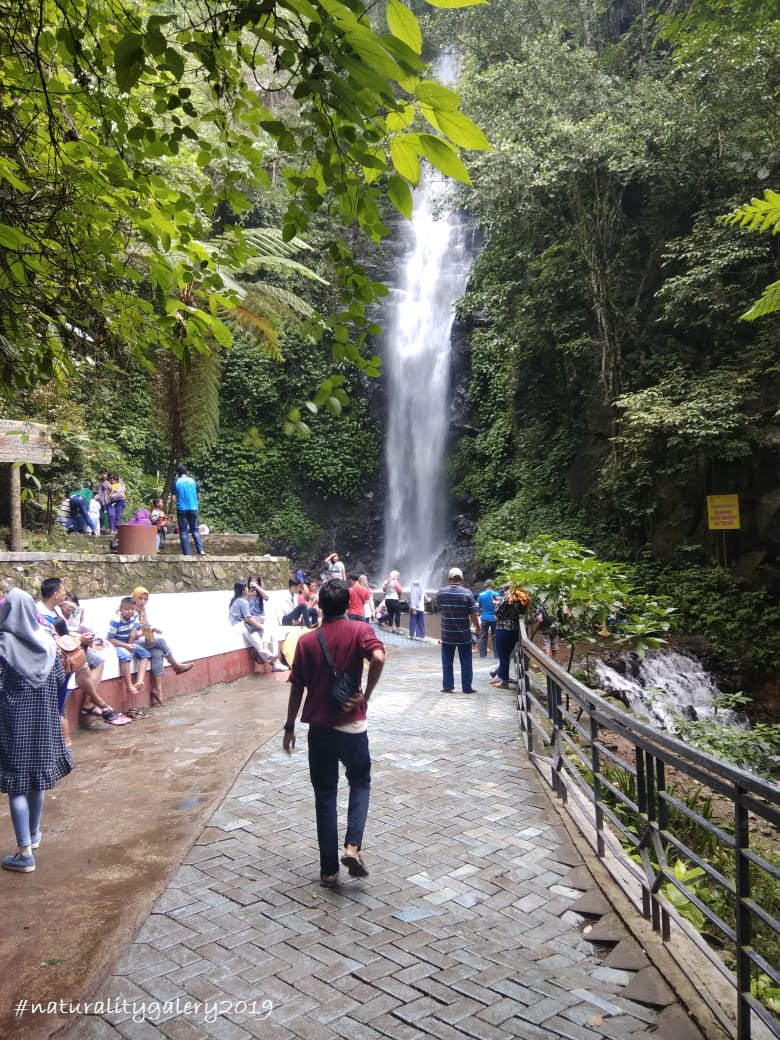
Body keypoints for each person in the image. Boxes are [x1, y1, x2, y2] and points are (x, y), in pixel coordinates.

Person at [282, 578, 385, 887]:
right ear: (347, 605)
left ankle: (329, 870)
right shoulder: (361, 631)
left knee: (325, 796)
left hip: (320, 730)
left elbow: (297, 686)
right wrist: (367, 693)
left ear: (320, 607)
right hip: (353, 726)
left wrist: (289, 727)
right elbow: (379, 657)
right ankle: (352, 846)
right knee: (360, 782)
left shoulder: (307, 641)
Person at [0, 588, 73, 873]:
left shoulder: (3, 645)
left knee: (17, 785)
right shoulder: (47, 642)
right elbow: (58, 679)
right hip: (44, 722)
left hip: (11, 724)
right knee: (36, 780)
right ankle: (34, 834)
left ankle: (24, 853)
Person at [37, 578, 128, 742]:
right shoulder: (39, 613)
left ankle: (95, 707)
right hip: (52, 662)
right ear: (56, 593)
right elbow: (52, 639)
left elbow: (64, 632)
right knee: (58, 706)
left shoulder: (55, 611)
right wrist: (79, 640)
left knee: (85, 667)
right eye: (63, 590)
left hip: (66, 657)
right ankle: (98, 706)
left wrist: (80, 637)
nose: (65, 593)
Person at [130, 587, 194, 705]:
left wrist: (152, 630)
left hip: (143, 640)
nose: (143, 602)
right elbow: (131, 633)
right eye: (140, 598)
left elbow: (146, 626)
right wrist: (147, 631)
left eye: (145, 599)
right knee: (161, 641)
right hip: (131, 642)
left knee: (157, 652)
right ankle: (176, 666)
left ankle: (157, 690)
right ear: (134, 598)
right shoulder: (129, 610)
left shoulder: (143, 611)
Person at [435, 567, 480, 694]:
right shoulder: (467, 593)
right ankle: (467, 688)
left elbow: (438, 607)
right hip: (463, 634)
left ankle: (448, 686)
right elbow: (473, 614)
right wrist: (478, 628)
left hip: (447, 634)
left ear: (449, 579)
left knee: (447, 661)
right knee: (466, 661)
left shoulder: (441, 593)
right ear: (462, 579)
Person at [228, 581, 286, 670]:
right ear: (243, 591)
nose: (248, 589)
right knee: (260, 643)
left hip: (240, 625)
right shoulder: (242, 601)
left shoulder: (236, 600)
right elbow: (248, 619)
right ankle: (274, 662)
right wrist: (260, 627)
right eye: (247, 588)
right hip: (241, 626)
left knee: (269, 631)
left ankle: (275, 662)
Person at [107, 596, 151, 710]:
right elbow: (110, 639)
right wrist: (126, 647)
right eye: (126, 609)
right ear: (121, 609)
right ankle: (129, 685)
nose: (129, 612)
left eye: (132, 609)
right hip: (117, 644)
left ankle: (140, 681)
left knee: (145, 654)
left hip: (128, 642)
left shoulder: (135, 616)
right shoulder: (116, 620)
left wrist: (130, 646)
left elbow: (133, 633)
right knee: (125, 656)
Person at [491, 585, 531, 689]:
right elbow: (523, 613)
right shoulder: (522, 598)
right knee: (507, 654)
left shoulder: (507, 597)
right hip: (515, 630)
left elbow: (497, 613)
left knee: (503, 655)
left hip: (503, 629)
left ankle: (503, 681)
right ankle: (502, 677)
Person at [170, 464, 205, 556]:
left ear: (178, 473)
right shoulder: (194, 481)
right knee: (195, 530)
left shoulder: (176, 482)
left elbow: (173, 499)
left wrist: (170, 511)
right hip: (193, 508)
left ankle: (187, 554)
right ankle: (201, 550)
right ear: (186, 472)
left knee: (183, 532)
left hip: (181, 509)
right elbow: (199, 496)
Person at [477, 580, 499, 658]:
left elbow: (479, 606)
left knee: (483, 636)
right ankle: (497, 655)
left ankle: (483, 655)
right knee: (495, 636)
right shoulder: (496, 594)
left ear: (485, 585)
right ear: (492, 586)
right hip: (494, 618)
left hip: (484, 618)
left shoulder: (481, 595)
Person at [382, 570, 402, 634]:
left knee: (390, 614)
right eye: (398, 576)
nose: (398, 577)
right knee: (397, 614)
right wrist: (399, 596)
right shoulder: (395, 582)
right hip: (394, 600)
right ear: (395, 576)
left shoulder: (386, 582)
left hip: (387, 600)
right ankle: (398, 629)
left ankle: (390, 628)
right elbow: (401, 590)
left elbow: (384, 590)